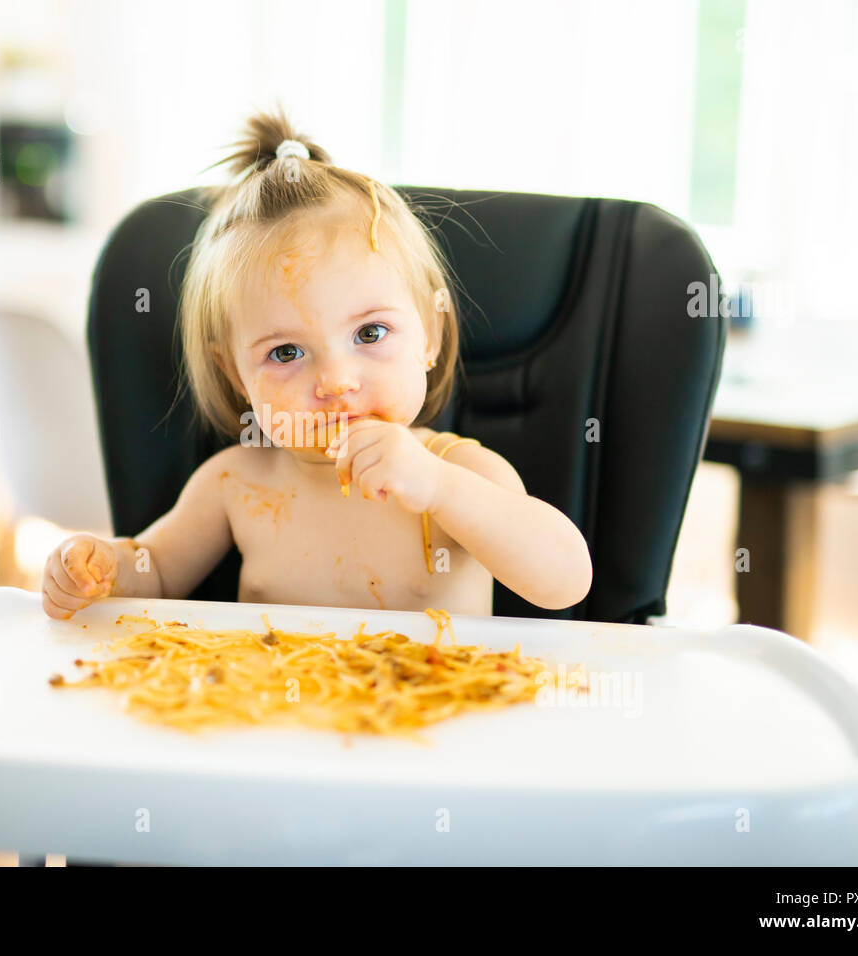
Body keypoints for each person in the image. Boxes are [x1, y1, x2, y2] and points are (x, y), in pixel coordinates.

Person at [42, 105, 591, 620]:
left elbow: (565, 581)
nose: (335, 381)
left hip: (433, 713)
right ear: (237, 375)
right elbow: (156, 572)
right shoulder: (233, 483)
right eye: (285, 352)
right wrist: (106, 567)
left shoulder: (461, 474)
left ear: (431, 334)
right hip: (276, 718)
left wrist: (440, 489)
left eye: (370, 333)